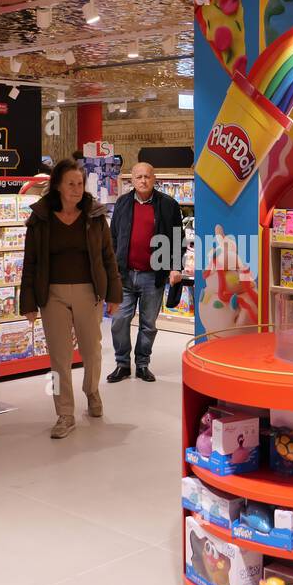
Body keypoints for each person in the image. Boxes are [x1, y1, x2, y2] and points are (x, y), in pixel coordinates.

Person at [20, 158, 122, 439]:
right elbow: (30, 262)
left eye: (80, 184)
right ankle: (64, 413)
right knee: (58, 359)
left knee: (92, 351)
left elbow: (108, 258)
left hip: (89, 292)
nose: (77, 189)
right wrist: (27, 301)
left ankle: (91, 391)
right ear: (58, 187)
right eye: (71, 184)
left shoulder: (95, 216)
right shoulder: (40, 218)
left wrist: (114, 294)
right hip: (51, 294)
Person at [107, 162, 185, 382]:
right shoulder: (122, 203)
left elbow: (178, 238)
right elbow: (113, 238)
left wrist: (175, 266)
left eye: (147, 177)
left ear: (154, 179)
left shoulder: (168, 205)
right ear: (132, 180)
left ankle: (142, 364)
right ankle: (122, 364)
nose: (143, 181)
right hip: (124, 274)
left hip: (154, 275)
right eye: (139, 177)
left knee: (148, 324)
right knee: (119, 320)